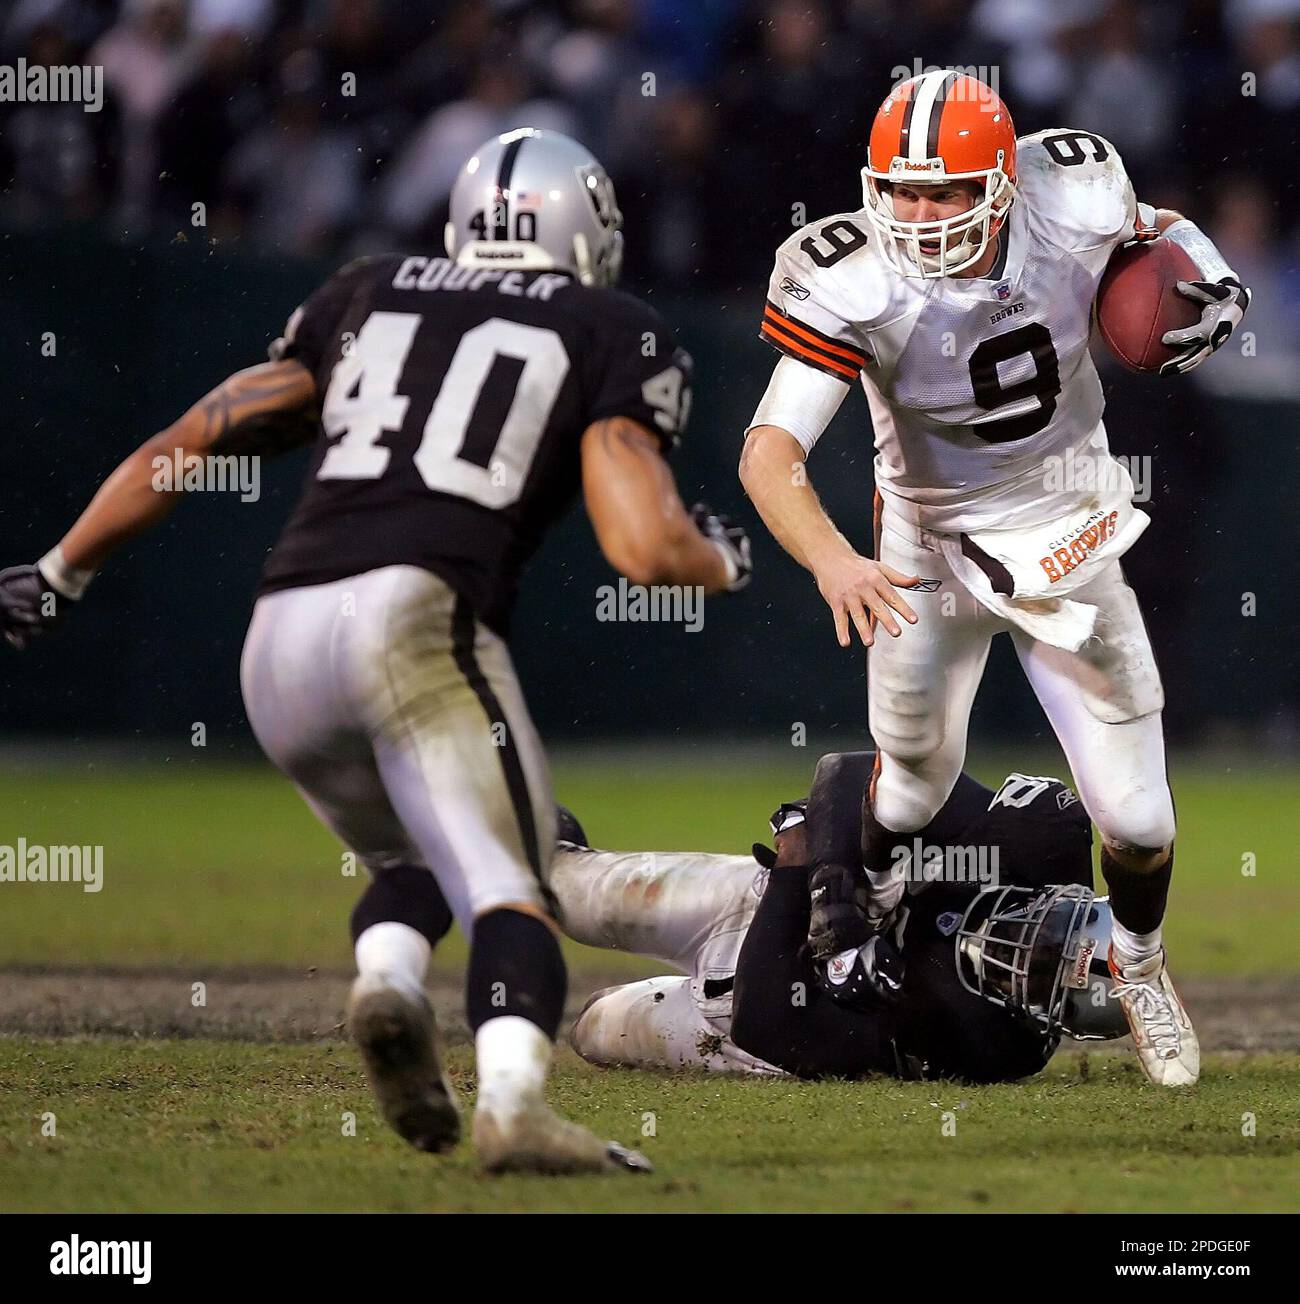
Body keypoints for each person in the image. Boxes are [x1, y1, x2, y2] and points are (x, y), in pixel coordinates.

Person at [0, 128, 752, 1174]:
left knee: (411, 856)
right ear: (582, 231)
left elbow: (195, 435)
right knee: (513, 883)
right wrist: (718, 558)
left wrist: (58, 566)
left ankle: (391, 981)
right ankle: (517, 1108)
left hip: (278, 637)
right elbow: (640, 543)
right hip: (417, 619)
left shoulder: (366, 289)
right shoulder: (606, 324)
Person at [739, 71, 1250, 1086]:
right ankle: (864, 891)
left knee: (1141, 821)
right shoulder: (844, 271)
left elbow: (1167, 229)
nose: (918, 215)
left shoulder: (1073, 188)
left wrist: (1212, 281)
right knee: (916, 782)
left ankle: (1137, 960)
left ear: (1005, 185)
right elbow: (767, 450)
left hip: (1066, 527)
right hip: (924, 549)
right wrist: (832, 556)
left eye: (945, 192)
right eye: (901, 190)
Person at [554, 750, 1129, 1083]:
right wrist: (832, 900)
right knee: (565, 889)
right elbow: (855, 769)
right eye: (1049, 940)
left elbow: (769, 1023)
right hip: (757, 901)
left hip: (756, 1000)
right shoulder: (1039, 841)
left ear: (1046, 1019)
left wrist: (798, 866)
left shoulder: (989, 1044)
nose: (1024, 958)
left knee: (595, 1029)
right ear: (1067, 899)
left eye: (1040, 979)